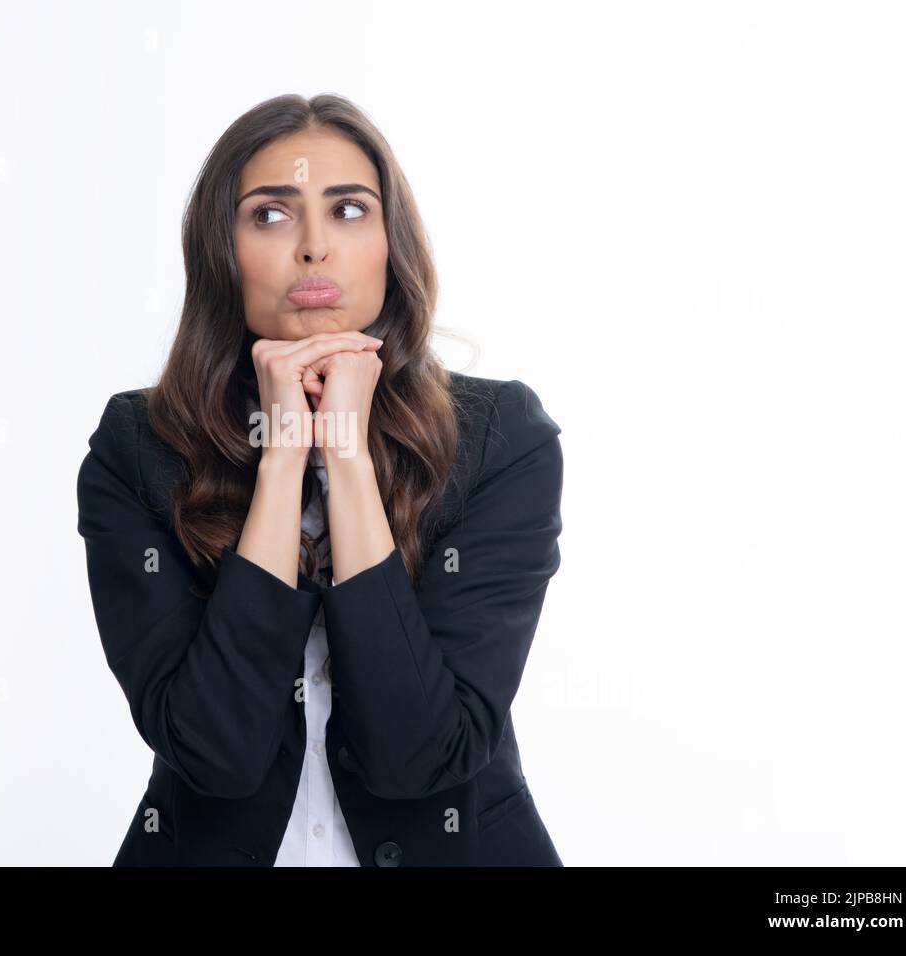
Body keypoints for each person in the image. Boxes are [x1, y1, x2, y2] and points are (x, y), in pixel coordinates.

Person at [77, 93, 564, 866]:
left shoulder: (501, 438)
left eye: (348, 211)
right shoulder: (140, 446)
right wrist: (281, 460)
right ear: (220, 251)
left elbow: (419, 756)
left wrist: (345, 453)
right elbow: (216, 754)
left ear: (390, 243)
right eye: (270, 214)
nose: (313, 248)